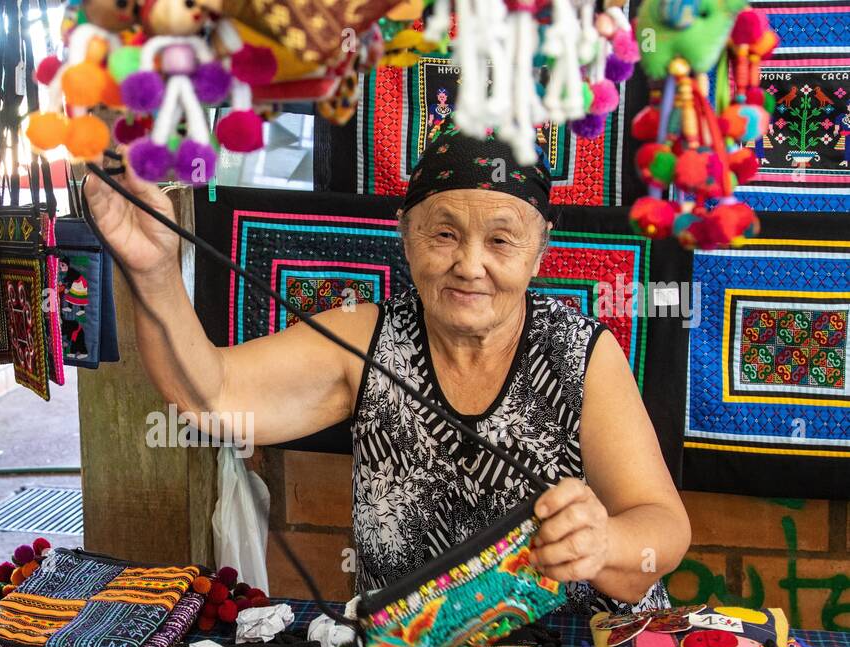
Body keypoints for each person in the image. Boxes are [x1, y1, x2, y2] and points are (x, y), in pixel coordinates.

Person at [83, 125, 691, 614]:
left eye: (502, 241)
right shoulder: (365, 340)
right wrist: (154, 274)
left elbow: (664, 526)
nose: (470, 265)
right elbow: (211, 397)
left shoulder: (579, 351)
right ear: (405, 238)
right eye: (444, 234)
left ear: (539, 252)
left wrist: (604, 543)